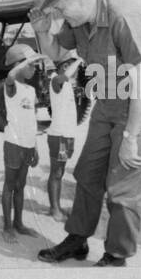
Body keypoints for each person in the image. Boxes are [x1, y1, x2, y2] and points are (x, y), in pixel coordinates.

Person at [34, 0, 141, 267]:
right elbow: (55, 53)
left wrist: (131, 137)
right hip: (108, 103)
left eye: (60, 7)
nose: (59, 14)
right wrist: (43, 31)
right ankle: (78, 240)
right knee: (87, 175)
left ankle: (116, 255)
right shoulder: (80, 20)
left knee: (124, 188)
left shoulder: (124, 16)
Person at [0, 44, 48, 242]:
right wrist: (23, 61)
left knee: (21, 185)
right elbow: (10, 76)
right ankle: (7, 226)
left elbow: (32, 120)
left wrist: (35, 147)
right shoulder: (11, 87)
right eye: (31, 65)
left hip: (27, 144)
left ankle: (19, 223)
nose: (35, 69)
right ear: (19, 65)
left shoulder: (31, 90)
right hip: (13, 144)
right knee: (9, 185)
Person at [44, 52, 83, 222]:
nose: (77, 71)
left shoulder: (65, 84)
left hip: (65, 135)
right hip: (60, 136)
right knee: (57, 173)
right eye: (76, 67)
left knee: (58, 173)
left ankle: (56, 207)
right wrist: (81, 58)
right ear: (66, 66)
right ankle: (54, 209)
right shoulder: (56, 79)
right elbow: (62, 78)